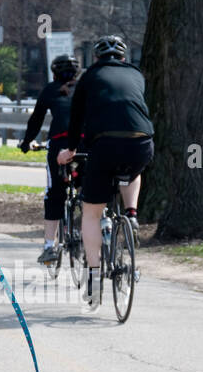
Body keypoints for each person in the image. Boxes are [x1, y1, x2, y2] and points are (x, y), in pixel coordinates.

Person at [56, 35, 153, 310]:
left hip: (105, 143)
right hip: (142, 141)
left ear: (96, 58)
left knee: (91, 212)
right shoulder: (137, 74)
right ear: (123, 58)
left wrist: (72, 149)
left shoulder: (90, 77)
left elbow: (77, 117)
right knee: (133, 171)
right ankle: (131, 213)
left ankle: (95, 273)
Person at [20, 54, 80, 264]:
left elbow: (36, 120)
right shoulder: (85, 88)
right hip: (84, 144)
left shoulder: (50, 90)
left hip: (59, 146)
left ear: (54, 73)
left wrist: (26, 143)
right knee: (89, 189)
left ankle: (48, 246)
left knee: (54, 194)